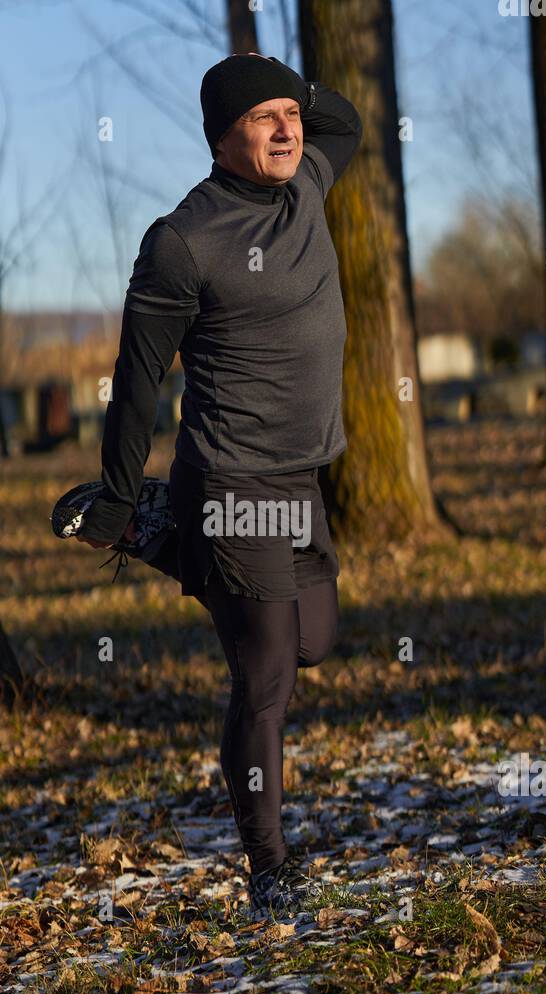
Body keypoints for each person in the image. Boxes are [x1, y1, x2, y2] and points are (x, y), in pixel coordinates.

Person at [78, 52, 362, 918]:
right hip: (232, 476)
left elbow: (343, 121)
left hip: (301, 477)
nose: (288, 129)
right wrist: (115, 490)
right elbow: (137, 381)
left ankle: (168, 540)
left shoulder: (307, 179)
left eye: (290, 112)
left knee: (319, 640)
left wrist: (295, 87)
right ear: (220, 137)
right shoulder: (182, 240)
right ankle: (269, 868)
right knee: (268, 673)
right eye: (263, 117)